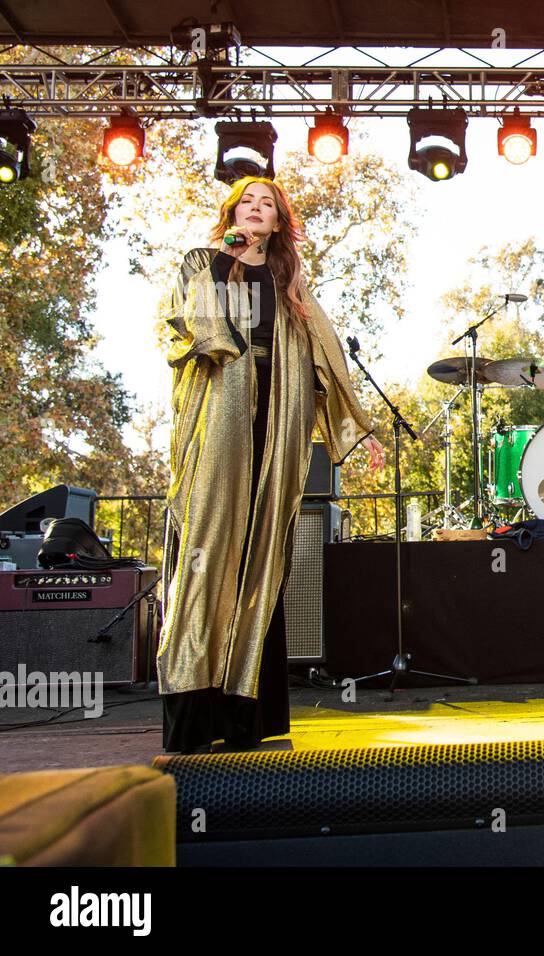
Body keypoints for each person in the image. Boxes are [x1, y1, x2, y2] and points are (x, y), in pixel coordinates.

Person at [158, 177, 385, 754]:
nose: (256, 211)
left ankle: (244, 715)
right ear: (231, 213)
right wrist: (228, 261)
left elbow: (325, 354)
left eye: (267, 206)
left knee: (263, 556)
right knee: (210, 549)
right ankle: (194, 706)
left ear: (280, 223)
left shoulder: (290, 283)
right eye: (246, 203)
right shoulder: (202, 261)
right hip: (222, 412)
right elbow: (195, 329)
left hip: (276, 418)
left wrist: (355, 427)